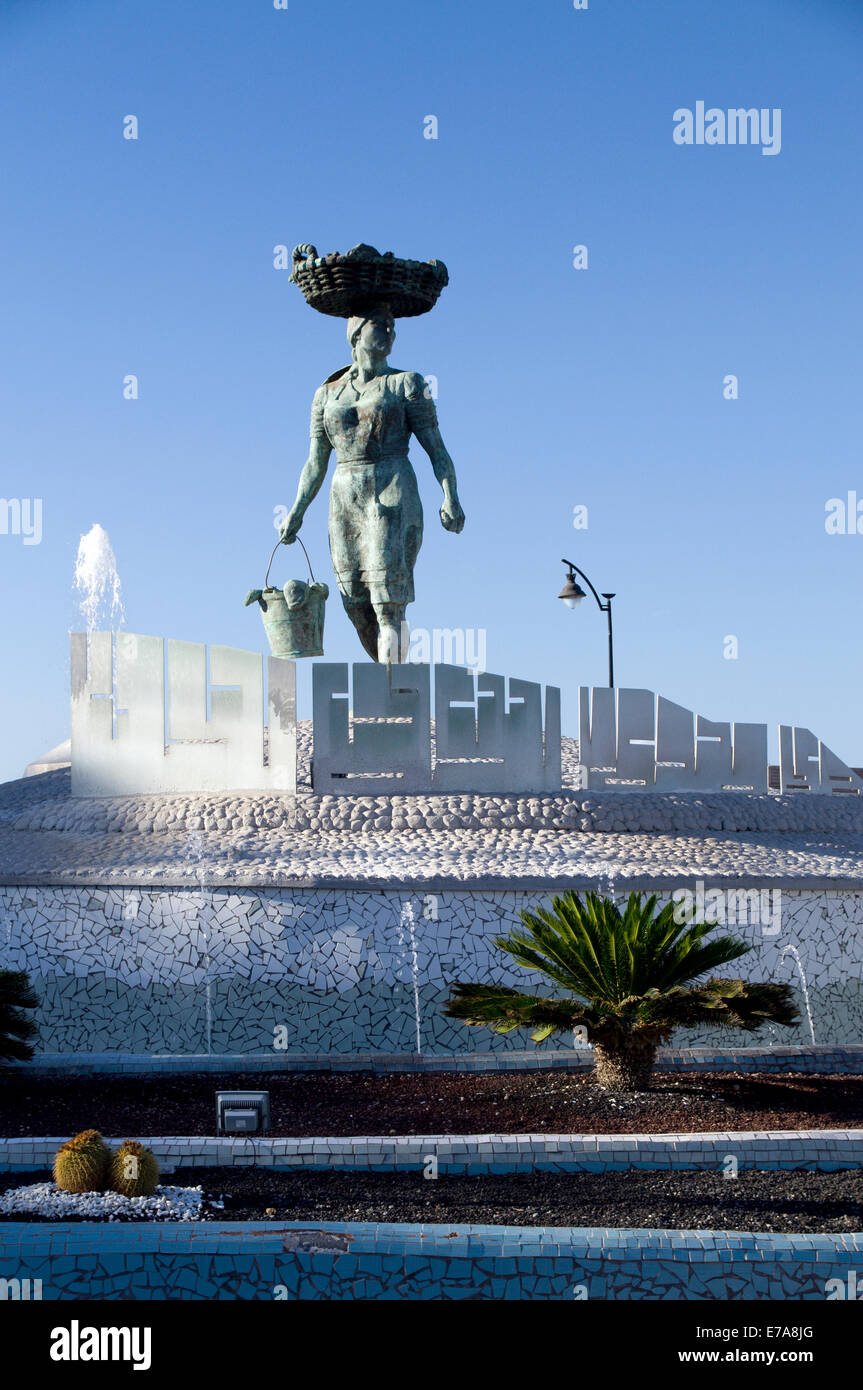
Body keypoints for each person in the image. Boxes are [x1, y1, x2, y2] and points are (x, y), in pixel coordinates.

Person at [279, 306, 465, 662]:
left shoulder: (408, 383)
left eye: (393, 326)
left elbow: (436, 447)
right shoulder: (326, 393)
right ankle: (391, 673)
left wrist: (450, 495)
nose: (391, 333)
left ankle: (391, 682)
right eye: (381, 326)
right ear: (356, 333)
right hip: (344, 496)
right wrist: (296, 511)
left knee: (387, 599)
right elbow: (315, 461)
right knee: (353, 599)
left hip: (391, 488)